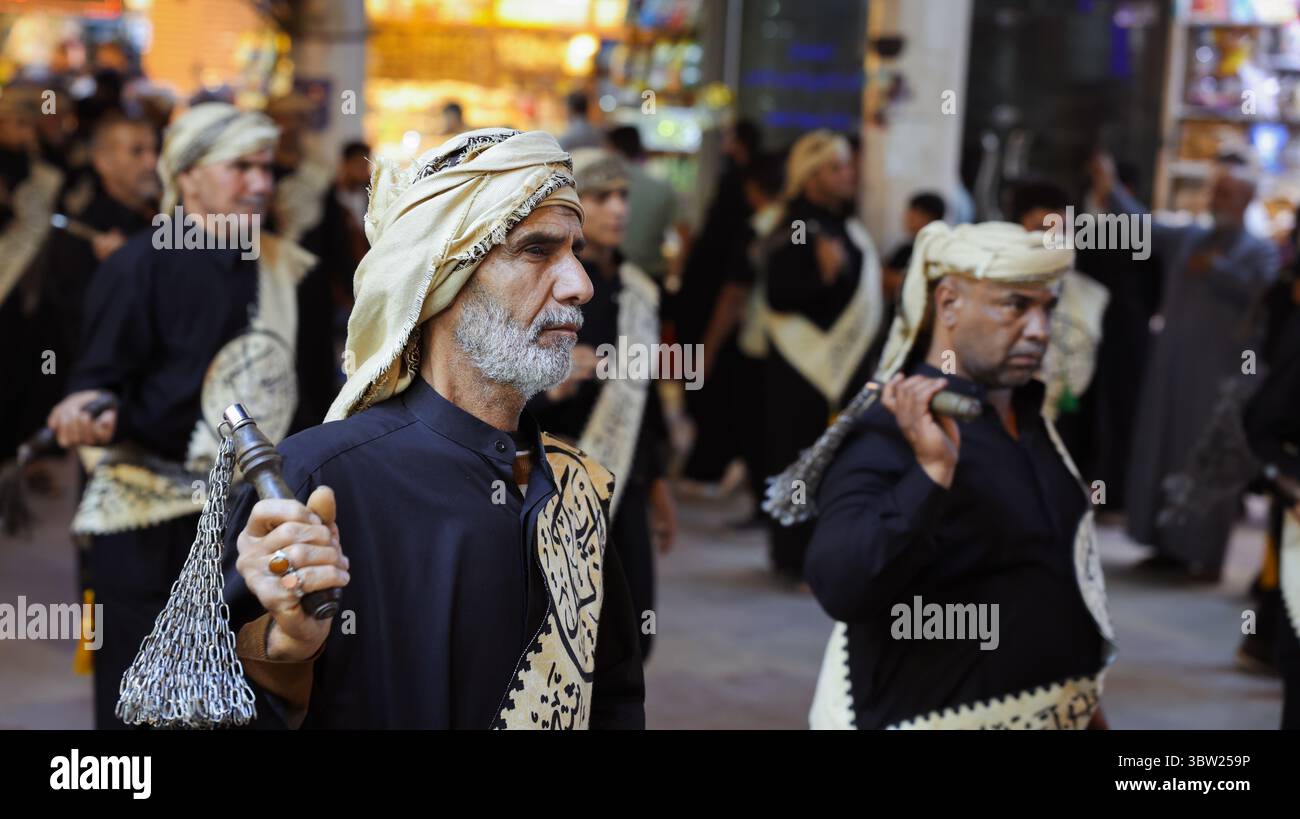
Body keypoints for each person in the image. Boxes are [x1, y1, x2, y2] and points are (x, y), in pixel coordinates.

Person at [223, 129, 646, 729]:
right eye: (536, 251)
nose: (580, 284)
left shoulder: (576, 485)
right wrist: (288, 644)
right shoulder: (318, 479)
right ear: (444, 275)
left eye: (576, 251)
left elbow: (614, 699)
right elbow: (209, 702)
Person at [45, 102, 325, 728]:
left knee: (246, 698)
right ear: (189, 175)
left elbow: (311, 402)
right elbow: (96, 383)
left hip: (251, 521)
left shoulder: (293, 274)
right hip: (151, 522)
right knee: (141, 707)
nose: (260, 183)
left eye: (266, 167)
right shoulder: (135, 268)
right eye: (241, 167)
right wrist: (88, 409)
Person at [802, 221, 1115, 729]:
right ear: (948, 304)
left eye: (1047, 308)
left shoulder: (1035, 423)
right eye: (1015, 305)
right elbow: (840, 584)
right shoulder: (890, 430)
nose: (1038, 329)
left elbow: (1049, 578)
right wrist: (931, 472)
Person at [1095, 152, 1280, 582]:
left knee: (1205, 464)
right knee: (1162, 450)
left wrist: (1219, 270)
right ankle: (1164, 545)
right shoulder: (1190, 238)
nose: (1220, 199)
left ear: (1248, 199)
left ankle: (1203, 555)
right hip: (1172, 370)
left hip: (1221, 377)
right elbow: (1142, 226)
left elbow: (1263, 296)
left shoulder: (1260, 251)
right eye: (1216, 191)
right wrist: (1112, 187)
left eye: (1229, 193)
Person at [527, 148, 675, 662]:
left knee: (631, 634)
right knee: (562, 632)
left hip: (624, 478)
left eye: (623, 196)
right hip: (553, 478)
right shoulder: (541, 283)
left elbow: (647, 398)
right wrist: (552, 386)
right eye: (600, 196)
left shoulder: (639, 290)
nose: (618, 209)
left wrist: (657, 487)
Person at [757, 130, 884, 582]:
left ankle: (822, 552)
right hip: (801, 369)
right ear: (811, 176)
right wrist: (824, 280)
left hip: (837, 368)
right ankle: (793, 555)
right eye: (836, 167)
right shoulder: (796, 224)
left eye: (848, 165)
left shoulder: (841, 223)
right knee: (798, 458)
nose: (848, 174)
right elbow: (779, 295)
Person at [0, 84, 64, 462]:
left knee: (18, 379)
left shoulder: (41, 172)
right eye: (16, 123)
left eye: (29, 124)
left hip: (23, 294)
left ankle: (12, 464)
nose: (25, 133)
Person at [606, 124, 683, 283]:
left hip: (610, 275)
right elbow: (685, 232)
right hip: (652, 275)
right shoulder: (663, 187)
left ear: (611, 149)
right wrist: (675, 275)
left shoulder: (602, 187)